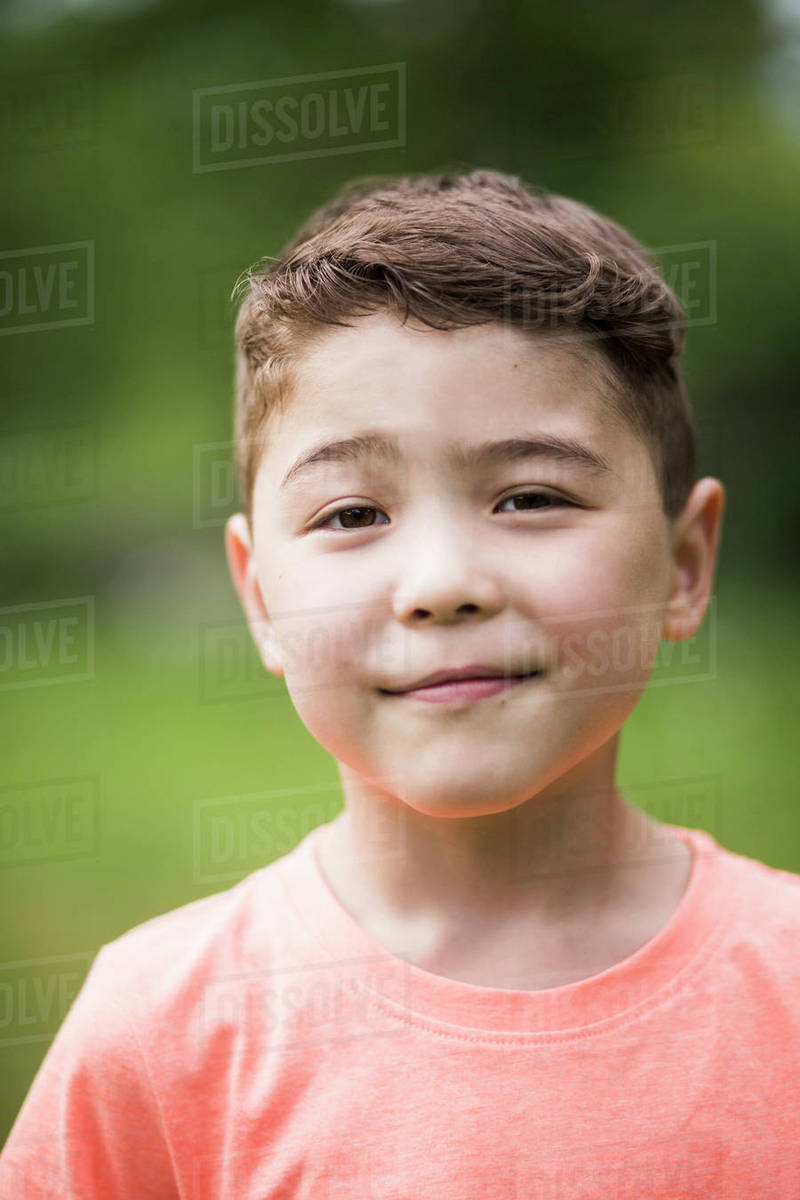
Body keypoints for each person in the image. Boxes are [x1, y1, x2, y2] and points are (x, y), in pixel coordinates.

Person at [2, 169, 798, 1197]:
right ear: (257, 599)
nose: (441, 585)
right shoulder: (159, 1028)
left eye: (529, 495)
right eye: (350, 515)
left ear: (683, 565)